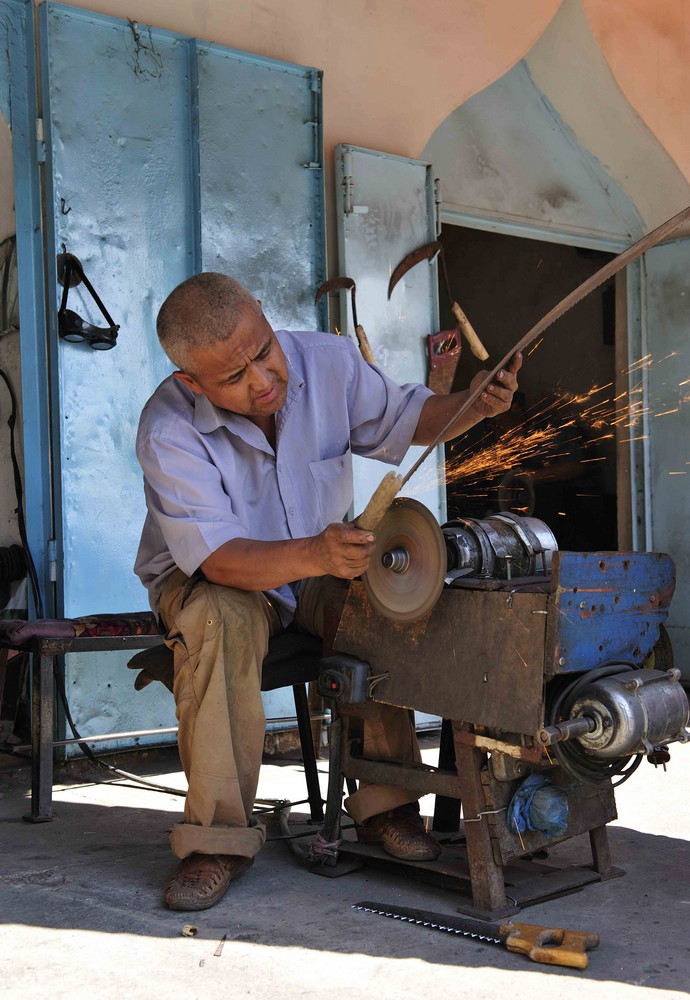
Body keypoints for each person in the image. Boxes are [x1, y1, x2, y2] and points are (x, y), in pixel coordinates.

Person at [134, 273, 521, 911]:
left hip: (314, 565)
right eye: (233, 378)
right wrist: (315, 552)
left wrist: (474, 403)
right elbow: (221, 560)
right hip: (213, 576)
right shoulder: (168, 428)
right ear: (191, 383)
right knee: (220, 615)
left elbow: (409, 418)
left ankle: (384, 804)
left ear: (263, 313)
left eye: (263, 351)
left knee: (382, 599)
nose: (262, 380)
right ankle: (216, 841)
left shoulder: (329, 360)